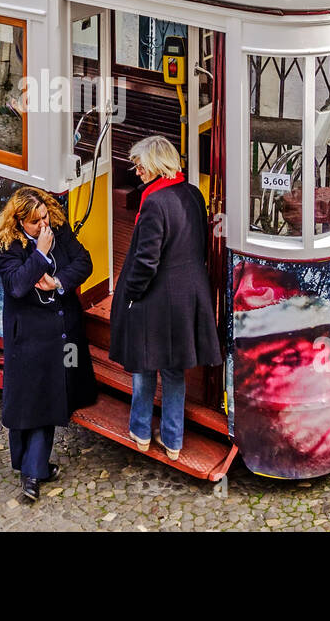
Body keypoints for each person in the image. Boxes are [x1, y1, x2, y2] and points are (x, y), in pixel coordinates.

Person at [109, 135, 221, 461]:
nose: (137, 170)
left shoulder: (154, 203)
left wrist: (131, 295)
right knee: (174, 373)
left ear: (155, 164)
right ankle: (173, 441)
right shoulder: (192, 193)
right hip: (187, 296)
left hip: (155, 301)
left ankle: (140, 431)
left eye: (140, 164)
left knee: (144, 369)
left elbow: (146, 261)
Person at [0, 187, 98, 502]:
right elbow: (17, 285)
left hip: (61, 333)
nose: (44, 224)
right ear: (20, 221)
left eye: (45, 216)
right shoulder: (6, 245)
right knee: (26, 403)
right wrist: (40, 254)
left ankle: (33, 471)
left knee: (47, 402)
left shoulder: (58, 229)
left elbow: (84, 262)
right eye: (36, 221)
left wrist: (59, 282)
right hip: (27, 337)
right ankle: (29, 467)